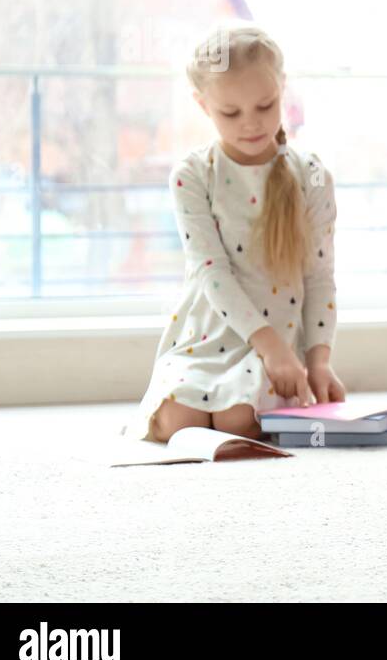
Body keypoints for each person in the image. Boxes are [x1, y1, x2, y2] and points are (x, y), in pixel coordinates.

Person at [126, 24, 342, 442]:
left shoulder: (312, 176)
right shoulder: (193, 174)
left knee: (236, 421)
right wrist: (269, 346)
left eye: (265, 105)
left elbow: (319, 276)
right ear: (203, 105)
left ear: (282, 88)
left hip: (276, 347)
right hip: (204, 338)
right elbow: (212, 272)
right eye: (231, 113)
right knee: (178, 424)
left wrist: (317, 361)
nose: (251, 123)